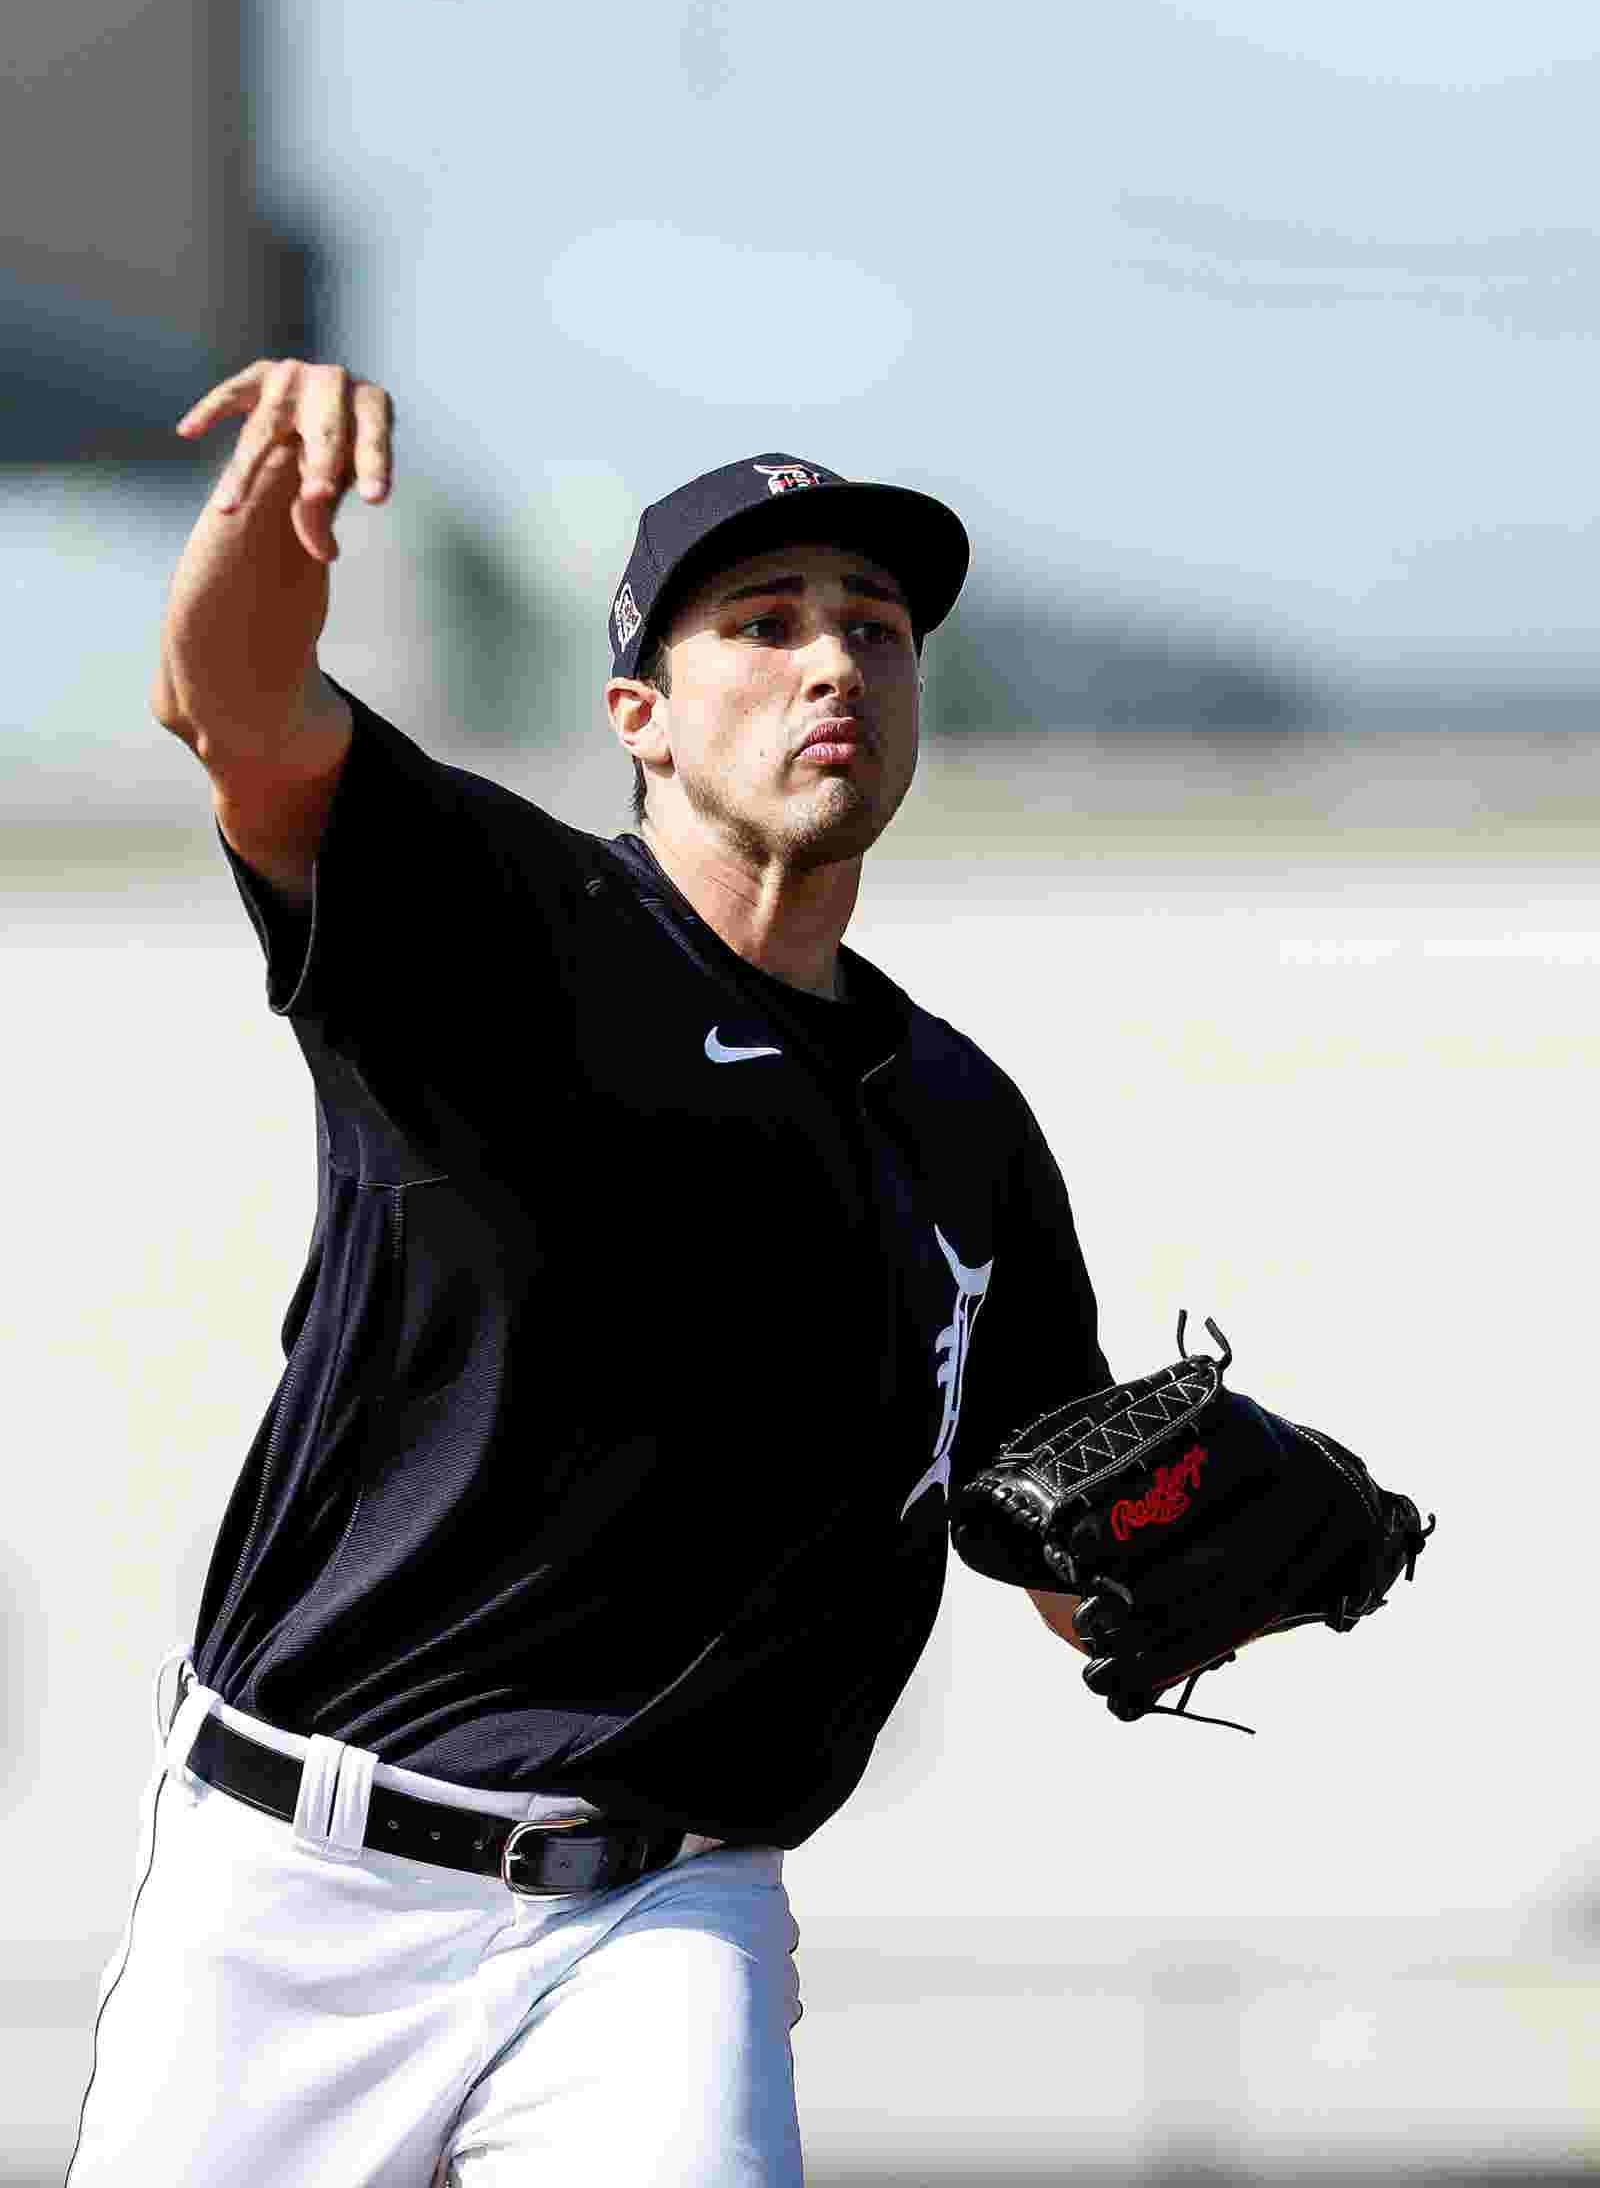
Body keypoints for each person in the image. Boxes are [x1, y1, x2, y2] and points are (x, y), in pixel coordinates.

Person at [67, 359, 1108, 2188]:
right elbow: (229, 709)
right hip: (304, 1894)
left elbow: (1062, 1538)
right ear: (641, 709)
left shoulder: (965, 1123)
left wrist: (1193, 1556)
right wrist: (263, 515)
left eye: (873, 626)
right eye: (764, 623)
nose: (832, 663)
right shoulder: (500, 915)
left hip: (663, 1917)